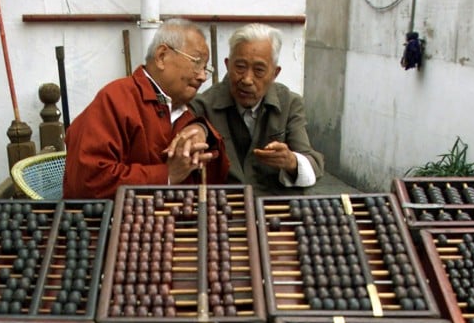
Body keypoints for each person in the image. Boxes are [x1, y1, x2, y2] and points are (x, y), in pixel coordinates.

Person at [63, 18, 229, 200]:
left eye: (206, 68)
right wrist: (166, 176)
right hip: (113, 224)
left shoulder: (186, 114)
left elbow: (213, 181)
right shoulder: (117, 99)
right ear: (162, 56)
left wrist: (203, 131)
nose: (203, 76)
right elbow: (86, 180)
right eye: (197, 63)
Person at [191, 23, 324, 196]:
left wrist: (291, 161)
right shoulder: (203, 106)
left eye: (259, 70)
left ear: (275, 73)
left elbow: (313, 163)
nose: (247, 79)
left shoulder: (289, 104)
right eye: (240, 67)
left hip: (275, 210)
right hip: (224, 211)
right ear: (227, 65)